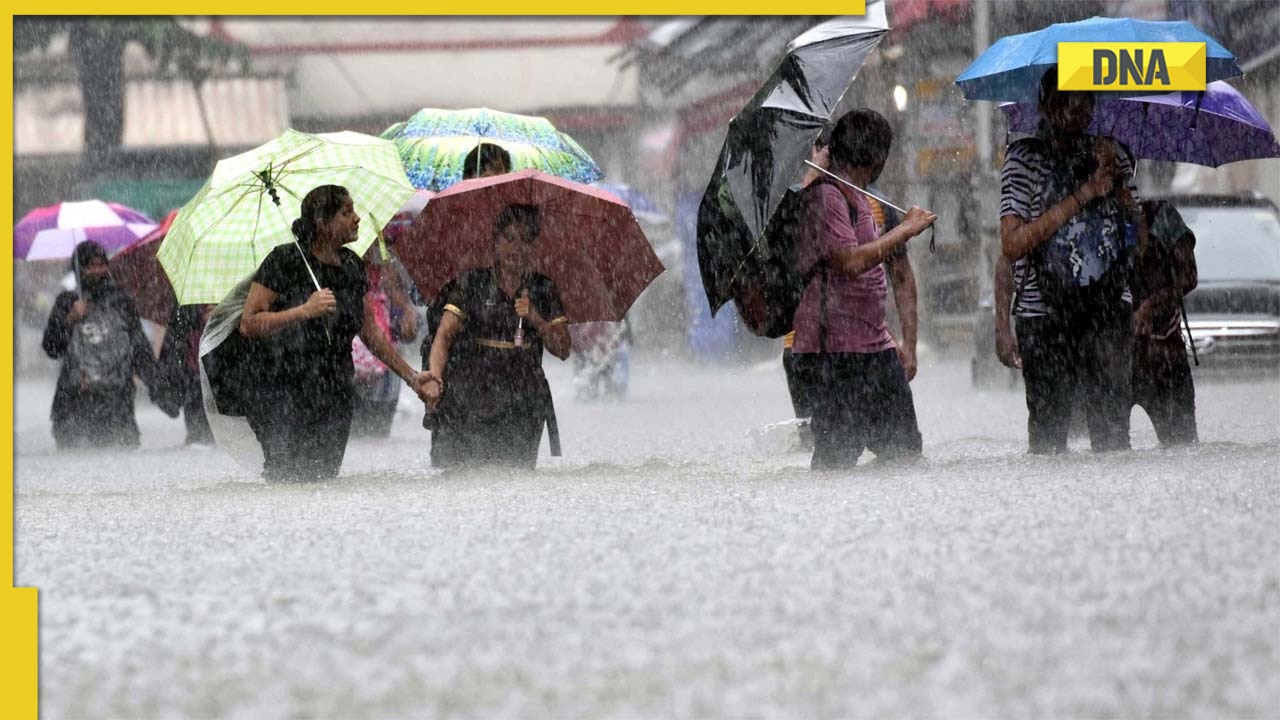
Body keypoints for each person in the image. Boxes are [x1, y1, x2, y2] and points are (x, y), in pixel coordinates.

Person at [239, 185, 431, 482]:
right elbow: (249, 323)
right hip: (283, 390)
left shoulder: (352, 265)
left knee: (324, 479)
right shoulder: (285, 260)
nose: (357, 219)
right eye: (346, 212)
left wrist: (411, 375)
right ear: (321, 221)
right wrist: (303, 311)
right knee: (285, 480)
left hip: (335, 391)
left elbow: (370, 332)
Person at [998, 68, 1138, 454]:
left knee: (1113, 439)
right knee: (1048, 441)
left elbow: (1135, 242)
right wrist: (1084, 194)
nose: (1078, 112)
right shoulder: (1023, 159)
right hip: (1044, 317)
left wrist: (1122, 194)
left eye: (1086, 101)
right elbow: (1012, 244)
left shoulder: (1112, 155)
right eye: (1067, 101)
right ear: (1045, 105)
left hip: (1107, 311)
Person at [790, 108, 937, 470]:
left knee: (905, 457)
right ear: (877, 157)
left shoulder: (864, 198)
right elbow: (849, 262)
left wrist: (905, 342)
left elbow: (898, 274)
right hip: (836, 357)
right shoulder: (825, 197)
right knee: (835, 465)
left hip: (875, 349)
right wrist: (905, 230)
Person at [422, 203, 572, 469]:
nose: (516, 248)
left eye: (525, 240)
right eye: (509, 238)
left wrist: (535, 318)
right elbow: (443, 337)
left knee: (515, 478)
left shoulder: (543, 287)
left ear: (534, 246)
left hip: (524, 401)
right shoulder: (472, 282)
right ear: (496, 240)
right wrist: (434, 378)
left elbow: (563, 349)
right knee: (469, 476)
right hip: (472, 397)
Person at [41, 240, 166, 449]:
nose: (97, 270)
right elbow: (52, 348)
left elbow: (139, 350)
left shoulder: (121, 302)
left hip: (117, 406)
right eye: (91, 265)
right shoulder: (67, 302)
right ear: (80, 268)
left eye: (101, 264)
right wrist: (70, 318)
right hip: (74, 406)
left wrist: (160, 390)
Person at [1130, 199, 1198, 445]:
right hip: (1115, 360)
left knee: (1182, 446)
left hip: (1165, 357)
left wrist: (1151, 306)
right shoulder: (1095, 216)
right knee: (1106, 454)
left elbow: (1189, 276)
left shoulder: (1163, 216)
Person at [154, 303, 215, 445]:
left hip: (219, 377)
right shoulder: (185, 310)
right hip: (194, 375)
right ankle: (198, 438)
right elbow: (173, 345)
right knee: (197, 413)